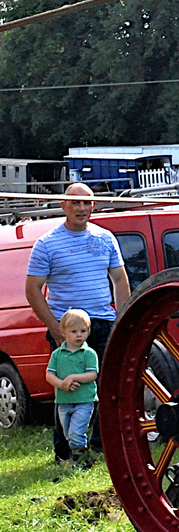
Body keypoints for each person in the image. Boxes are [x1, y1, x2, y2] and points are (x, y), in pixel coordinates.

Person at [24, 184, 129, 461]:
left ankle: (100, 445)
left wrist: (123, 318)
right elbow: (32, 290)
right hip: (67, 327)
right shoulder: (47, 243)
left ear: (94, 206)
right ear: (63, 206)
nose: (82, 208)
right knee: (66, 390)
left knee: (108, 386)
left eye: (87, 203)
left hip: (103, 323)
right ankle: (65, 451)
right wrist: (56, 329)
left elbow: (119, 279)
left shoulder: (105, 238)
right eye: (75, 203)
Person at [44, 309, 98, 468]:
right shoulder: (57, 355)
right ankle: (83, 458)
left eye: (83, 331)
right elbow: (49, 375)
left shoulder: (89, 353)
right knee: (69, 434)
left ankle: (81, 464)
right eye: (74, 331)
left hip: (84, 400)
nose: (79, 335)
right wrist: (61, 384)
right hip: (63, 401)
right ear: (63, 332)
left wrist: (73, 378)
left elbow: (92, 375)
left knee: (76, 433)